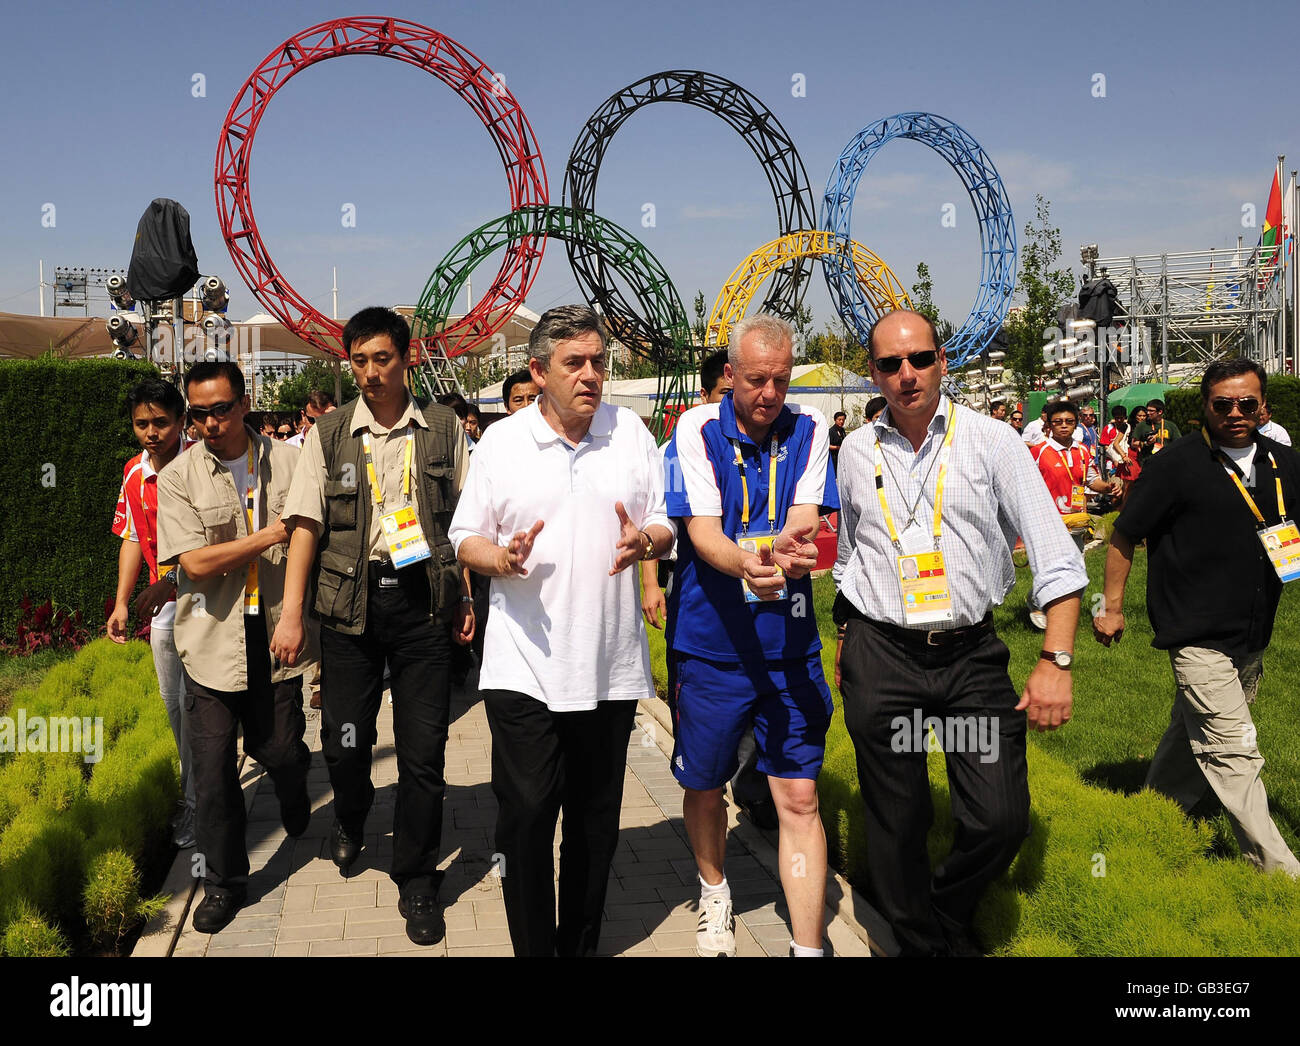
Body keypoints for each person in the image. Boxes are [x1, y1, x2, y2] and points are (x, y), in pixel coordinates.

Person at [833, 309, 1087, 956]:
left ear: (943, 361)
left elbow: (1059, 558)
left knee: (1000, 819)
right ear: (874, 373)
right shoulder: (858, 451)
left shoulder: (994, 442)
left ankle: (945, 910)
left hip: (969, 657)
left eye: (919, 358)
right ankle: (923, 941)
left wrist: (1056, 659)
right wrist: (846, 637)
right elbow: (851, 555)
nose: (907, 375)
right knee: (898, 821)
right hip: (882, 655)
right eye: (890, 364)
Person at [448, 304, 675, 957]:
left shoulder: (629, 433)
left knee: (595, 823)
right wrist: (500, 559)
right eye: (575, 363)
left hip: (609, 666)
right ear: (538, 370)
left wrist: (646, 541)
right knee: (524, 822)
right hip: (525, 667)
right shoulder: (503, 442)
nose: (591, 375)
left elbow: (663, 521)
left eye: (598, 362)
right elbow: (465, 535)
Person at [270, 307, 473, 946]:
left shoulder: (443, 430)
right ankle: (352, 816)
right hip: (349, 612)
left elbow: (465, 524)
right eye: (358, 361)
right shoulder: (328, 436)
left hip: (423, 608)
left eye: (381, 359)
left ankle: (415, 877)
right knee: (345, 743)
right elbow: (305, 525)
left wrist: (466, 599)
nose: (370, 373)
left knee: (423, 754)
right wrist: (293, 611)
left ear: (406, 358)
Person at [666, 313, 838, 958]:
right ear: (730, 375)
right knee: (704, 784)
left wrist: (794, 552)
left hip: (789, 645)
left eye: (781, 380)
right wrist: (748, 564)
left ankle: (807, 944)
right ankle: (714, 892)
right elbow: (702, 530)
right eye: (757, 379)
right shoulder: (695, 427)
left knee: (799, 795)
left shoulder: (809, 428)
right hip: (711, 646)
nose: (770, 394)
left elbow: (804, 514)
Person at [1093, 358, 1300, 877]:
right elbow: (1123, 534)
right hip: (1194, 632)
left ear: (1262, 406)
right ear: (1204, 407)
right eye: (1222, 403)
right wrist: (1112, 608)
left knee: (1194, 732)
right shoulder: (1175, 464)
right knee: (1235, 748)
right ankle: (1276, 873)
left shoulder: (1284, 463)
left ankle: (1155, 813)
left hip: (1252, 630)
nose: (1235, 412)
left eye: (1246, 403)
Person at [156, 361, 314, 934]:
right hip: (211, 636)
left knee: (280, 751)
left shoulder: (291, 460)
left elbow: (313, 531)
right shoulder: (177, 477)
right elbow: (193, 563)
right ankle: (224, 884)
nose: (209, 424)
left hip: (273, 627)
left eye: (221, 409)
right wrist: (272, 533)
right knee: (215, 771)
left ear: (244, 403)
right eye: (198, 414)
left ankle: (295, 787)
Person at [641, 349, 779, 834]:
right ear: (708, 395)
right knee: (711, 700)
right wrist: (652, 582)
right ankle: (712, 789)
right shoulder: (679, 449)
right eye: (728, 395)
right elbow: (662, 523)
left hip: (759, 581)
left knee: (760, 687)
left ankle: (754, 787)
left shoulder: (775, 442)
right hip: (695, 580)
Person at [108, 377, 196, 847]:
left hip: (210, 600)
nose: (151, 432)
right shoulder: (133, 473)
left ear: (181, 421)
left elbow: (215, 545)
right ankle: (198, 795)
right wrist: (122, 601)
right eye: (142, 423)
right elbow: (132, 539)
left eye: (161, 422)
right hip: (161, 606)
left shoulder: (202, 465)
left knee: (198, 702)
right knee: (173, 703)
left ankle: (202, 804)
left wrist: (173, 582)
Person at [1031, 400, 1118, 518]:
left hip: (1077, 518)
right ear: (1050, 425)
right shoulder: (1038, 451)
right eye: (1057, 421)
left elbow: (1091, 480)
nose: (1064, 425)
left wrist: (1108, 488)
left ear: (1076, 424)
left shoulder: (1083, 450)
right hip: (1049, 519)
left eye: (1069, 421)